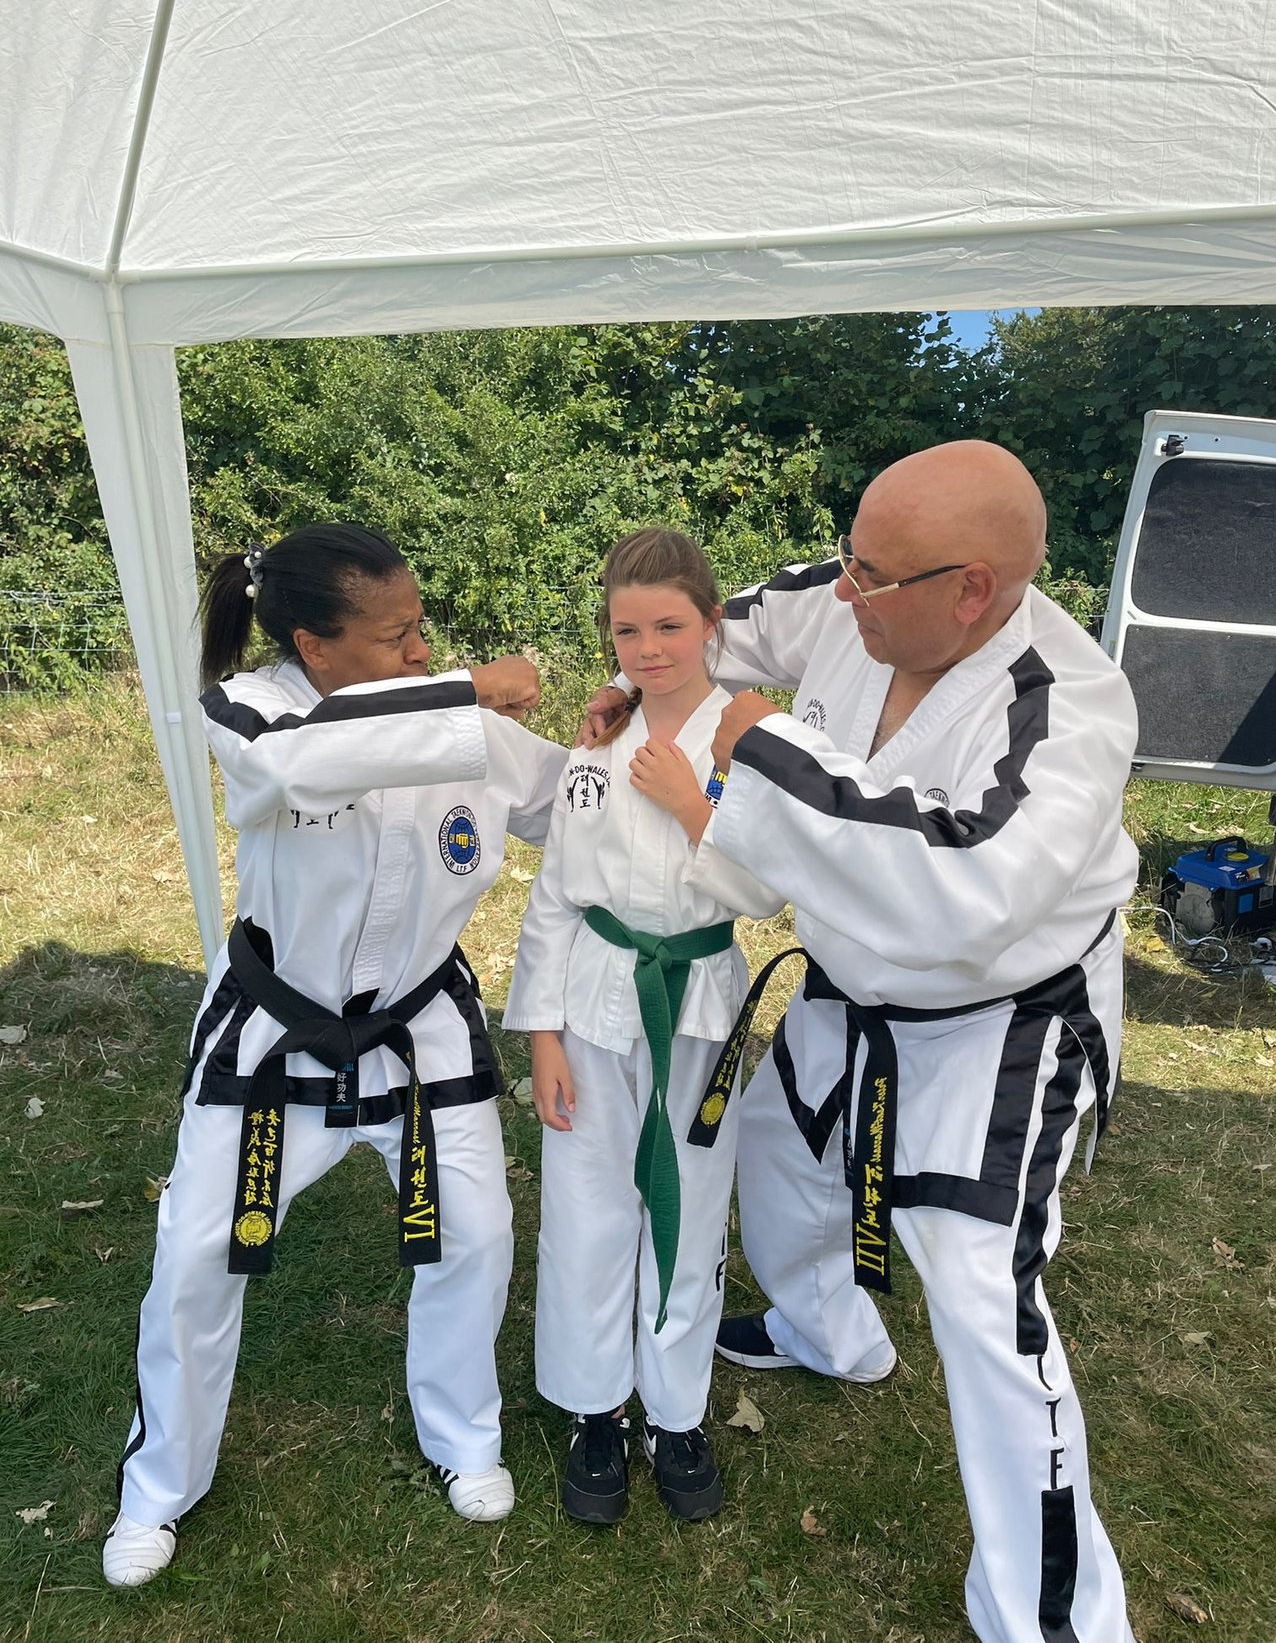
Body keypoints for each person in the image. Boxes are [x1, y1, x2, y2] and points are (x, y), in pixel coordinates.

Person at [584, 443, 1139, 1642]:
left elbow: (968, 887)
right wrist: (643, 683)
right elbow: (706, 623)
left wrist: (764, 745)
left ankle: (1051, 1614)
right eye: (847, 555)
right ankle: (823, 1329)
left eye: (871, 574)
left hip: (999, 1016)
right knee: (779, 1160)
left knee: (980, 1293)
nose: (842, 588)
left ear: (971, 588)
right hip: (848, 981)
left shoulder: (1066, 705)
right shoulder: (848, 598)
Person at [103, 522, 568, 1589]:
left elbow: (577, 801)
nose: (421, 650)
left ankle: (464, 1436)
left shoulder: (464, 726)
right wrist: (462, 690)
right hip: (278, 1029)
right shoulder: (251, 713)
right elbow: (303, 761)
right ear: (314, 646)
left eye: (422, 628)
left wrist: (637, 724)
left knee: (474, 1235)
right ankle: (158, 1487)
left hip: (418, 1023)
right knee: (197, 1255)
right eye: (396, 635)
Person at [502, 528, 782, 1526]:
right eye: (627, 631)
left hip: (697, 999)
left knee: (691, 1205)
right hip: (592, 999)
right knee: (588, 1204)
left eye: (668, 625)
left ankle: (675, 1412)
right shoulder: (595, 746)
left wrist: (695, 810)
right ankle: (595, 1407)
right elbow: (555, 895)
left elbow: (769, 887)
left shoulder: (746, 740)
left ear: (710, 623)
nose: (648, 648)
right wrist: (539, 1032)